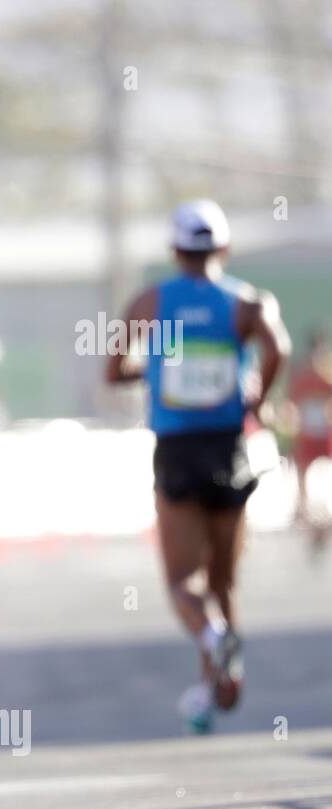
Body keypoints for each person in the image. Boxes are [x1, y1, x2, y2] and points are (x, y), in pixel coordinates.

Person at [106, 200, 288, 732]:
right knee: (224, 582)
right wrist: (256, 397)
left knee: (184, 581)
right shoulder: (247, 304)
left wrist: (157, 372)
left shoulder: (150, 302)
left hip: (179, 451)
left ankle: (213, 643)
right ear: (223, 250)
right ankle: (220, 689)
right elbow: (279, 348)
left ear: (174, 251)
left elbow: (114, 370)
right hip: (230, 449)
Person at [286, 330, 332, 549]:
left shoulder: (326, 370)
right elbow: (292, 400)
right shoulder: (302, 373)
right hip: (307, 431)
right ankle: (301, 509)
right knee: (302, 470)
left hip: (324, 431)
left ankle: (311, 510)